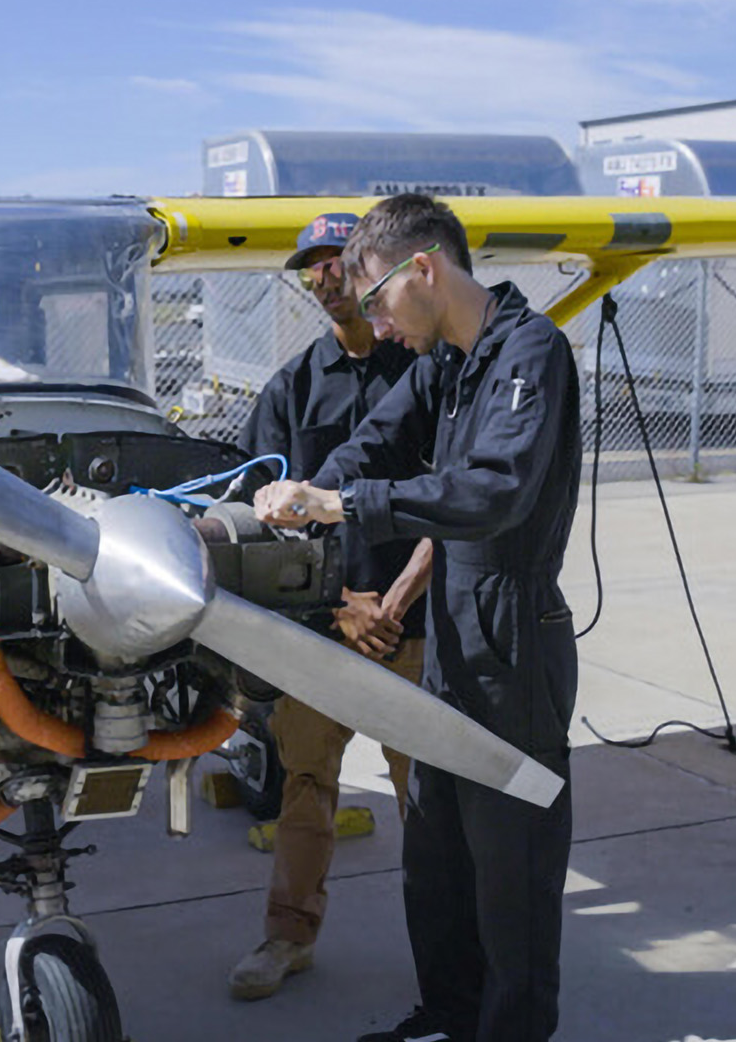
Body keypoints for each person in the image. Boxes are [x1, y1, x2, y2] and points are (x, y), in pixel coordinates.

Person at [253, 194, 581, 1042]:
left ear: (424, 270)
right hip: (451, 638)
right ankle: (449, 1016)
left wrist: (344, 502)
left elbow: (491, 492)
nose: (380, 326)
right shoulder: (447, 363)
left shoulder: (527, 353)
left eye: (378, 302)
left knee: (514, 869)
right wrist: (299, 497)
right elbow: (380, 438)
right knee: (436, 858)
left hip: (512, 641)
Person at [227, 213, 435, 1002]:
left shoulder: (422, 370)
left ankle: (447, 945)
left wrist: (396, 601)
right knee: (305, 785)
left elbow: (450, 499)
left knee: (430, 796)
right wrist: (344, 602)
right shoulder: (292, 386)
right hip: (322, 630)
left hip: (409, 626)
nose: (322, 278)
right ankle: (288, 937)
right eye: (309, 267)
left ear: (367, 268)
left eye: (335, 262)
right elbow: (263, 510)